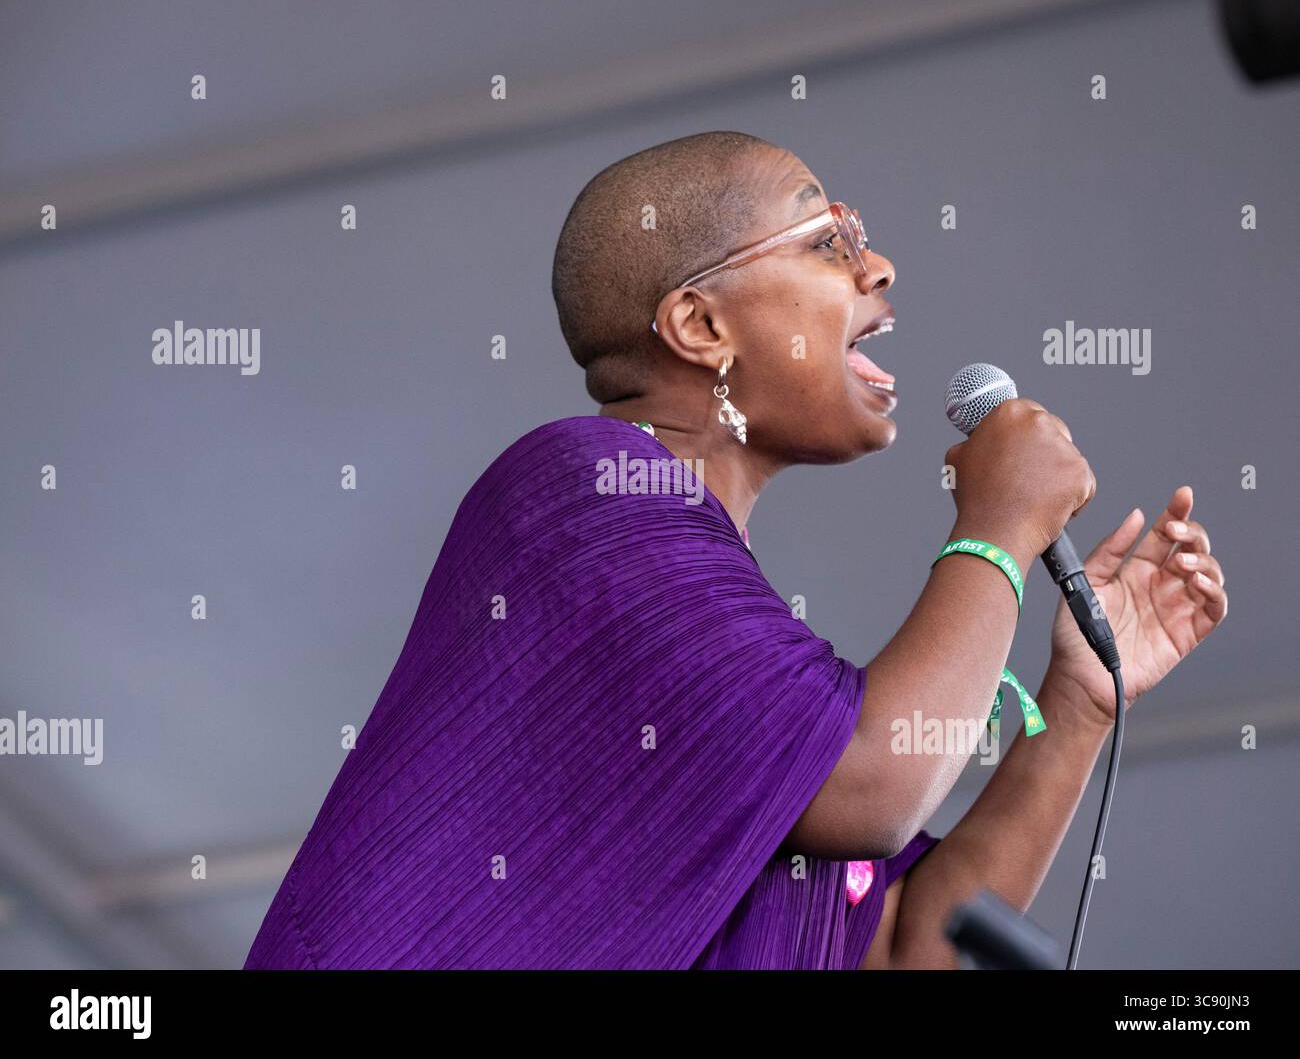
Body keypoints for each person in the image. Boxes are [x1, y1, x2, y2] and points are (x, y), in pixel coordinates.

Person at [244, 131, 1227, 970]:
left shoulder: (739, 671)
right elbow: (870, 782)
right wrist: (997, 526)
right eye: (829, 239)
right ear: (701, 324)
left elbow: (908, 945)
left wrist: (1077, 702)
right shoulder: (576, 488)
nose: (877, 268)